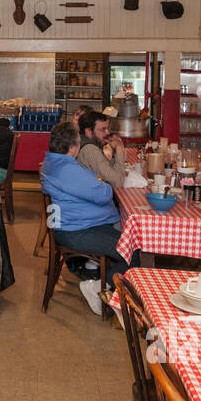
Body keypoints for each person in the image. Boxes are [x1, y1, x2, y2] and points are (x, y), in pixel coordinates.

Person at [40, 121, 124, 316]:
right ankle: (96, 287)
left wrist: (96, 182)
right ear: (73, 147)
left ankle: (112, 290)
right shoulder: (67, 169)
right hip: (76, 230)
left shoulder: (54, 162)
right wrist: (101, 183)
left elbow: (91, 182)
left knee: (129, 238)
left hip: (75, 223)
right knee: (132, 249)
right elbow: (104, 193)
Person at [76, 109, 128, 193]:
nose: (107, 133)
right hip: (91, 202)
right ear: (89, 132)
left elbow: (110, 171)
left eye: (107, 128)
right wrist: (119, 150)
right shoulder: (90, 149)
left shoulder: (86, 142)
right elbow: (118, 182)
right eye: (103, 129)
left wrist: (114, 151)